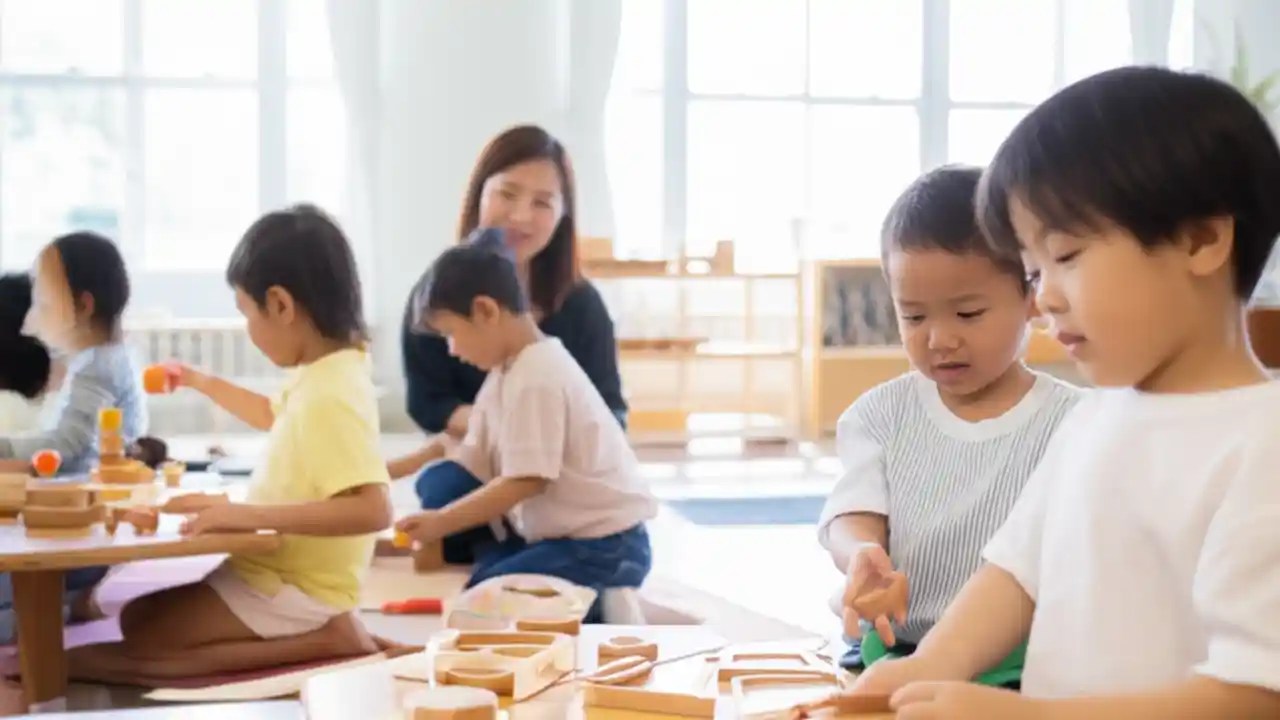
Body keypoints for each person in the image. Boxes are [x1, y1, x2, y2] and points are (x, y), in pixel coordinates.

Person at [853, 66, 1280, 718]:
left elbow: (1252, 694)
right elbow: (1017, 573)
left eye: (1068, 256)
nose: (1043, 296)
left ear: (1202, 239)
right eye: (1031, 269)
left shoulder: (1261, 442)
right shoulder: (1094, 419)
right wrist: (929, 666)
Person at [68, 205, 392, 684]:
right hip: (275, 573)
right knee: (137, 619)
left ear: (280, 304)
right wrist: (199, 380)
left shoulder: (332, 393)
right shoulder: (327, 370)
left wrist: (249, 515)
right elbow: (271, 415)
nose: (247, 327)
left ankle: (326, 640)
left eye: (246, 312)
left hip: (292, 587)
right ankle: (327, 633)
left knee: (140, 640)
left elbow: (373, 510)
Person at [819, 165, 1079, 688]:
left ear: (1031, 295)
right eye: (913, 317)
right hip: (897, 646)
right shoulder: (882, 414)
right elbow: (853, 511)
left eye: (968, 313)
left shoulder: (1072, 420)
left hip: (1021, 662)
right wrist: (861, 554)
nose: (939, 339)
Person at [394, 229, 656, 623]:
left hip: (605, 546)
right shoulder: (506, 371)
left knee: (489, 602)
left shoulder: (537, 375)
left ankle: (602, 603)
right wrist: (400, 475)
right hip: (564, 537)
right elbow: (470, 454)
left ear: (485, 311)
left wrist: (442, 522)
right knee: (449, 500)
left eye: (451, 333)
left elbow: (527, 481)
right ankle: (572, 592)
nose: (452, 350)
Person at [397, 126, 627, 538]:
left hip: (564, 471)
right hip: (478, 454)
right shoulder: (439, 293)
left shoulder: (580, 304)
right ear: (479, 194)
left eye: (542, 202)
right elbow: (427, 401)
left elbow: (611, 411)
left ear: (562, 215)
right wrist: (505, 434)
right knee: (440, 488)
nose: (521, 215)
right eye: (507, 194)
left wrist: (541, 438)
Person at [0, 234, 147, 475]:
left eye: (44, 304)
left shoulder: (99, 366)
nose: (29, 321)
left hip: (82, 494)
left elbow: (65, 447)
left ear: (83, 306)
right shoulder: (106, 360)